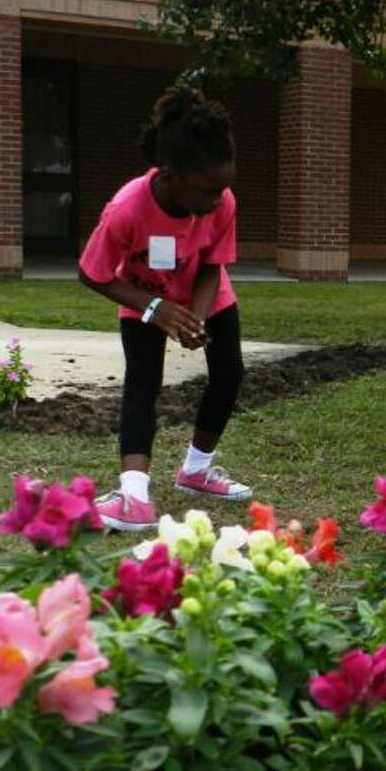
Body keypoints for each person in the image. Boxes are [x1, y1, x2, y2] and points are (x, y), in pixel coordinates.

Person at [78, 85, 249, 532]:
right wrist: (155, 309)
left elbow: (213, 265)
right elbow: (93, 273)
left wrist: (194, 314)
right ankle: (134, 495)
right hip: (142, 299)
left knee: (229, 373)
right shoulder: (127, 210)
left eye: (223, 189)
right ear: (170, 175)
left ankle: (195, 470)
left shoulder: (221, 201)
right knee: (143, 383)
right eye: (207, 191)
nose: (217, 201)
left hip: (204, 293)